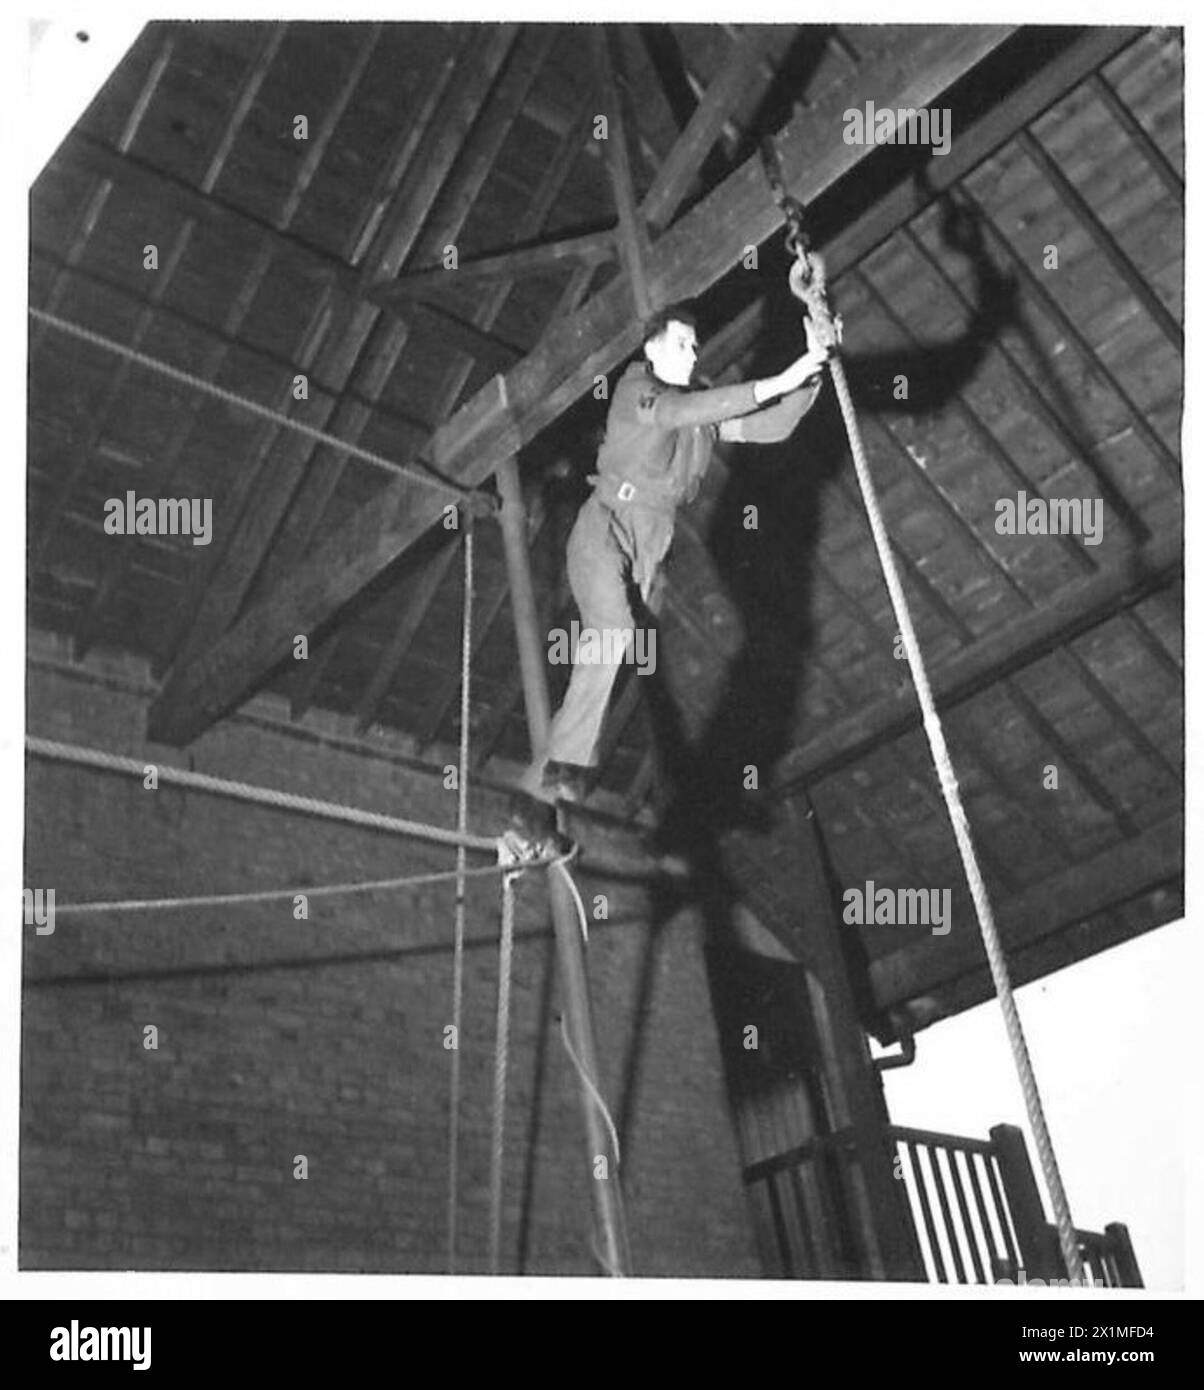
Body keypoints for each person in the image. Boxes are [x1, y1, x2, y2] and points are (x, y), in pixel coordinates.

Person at [521, 303, 834, 808]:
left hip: (651, 540)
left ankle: (544, 785)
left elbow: (767, 428)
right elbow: (676, 412)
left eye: (694, 344)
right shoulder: (637, 393)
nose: (692, 353)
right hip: (605, 526)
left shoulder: (700, 413)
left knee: (620, 645)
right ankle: (565, 759)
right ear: (652, 349)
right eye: (680, 343)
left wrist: (812, 376)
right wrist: (782, 377)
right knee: (616, 630)